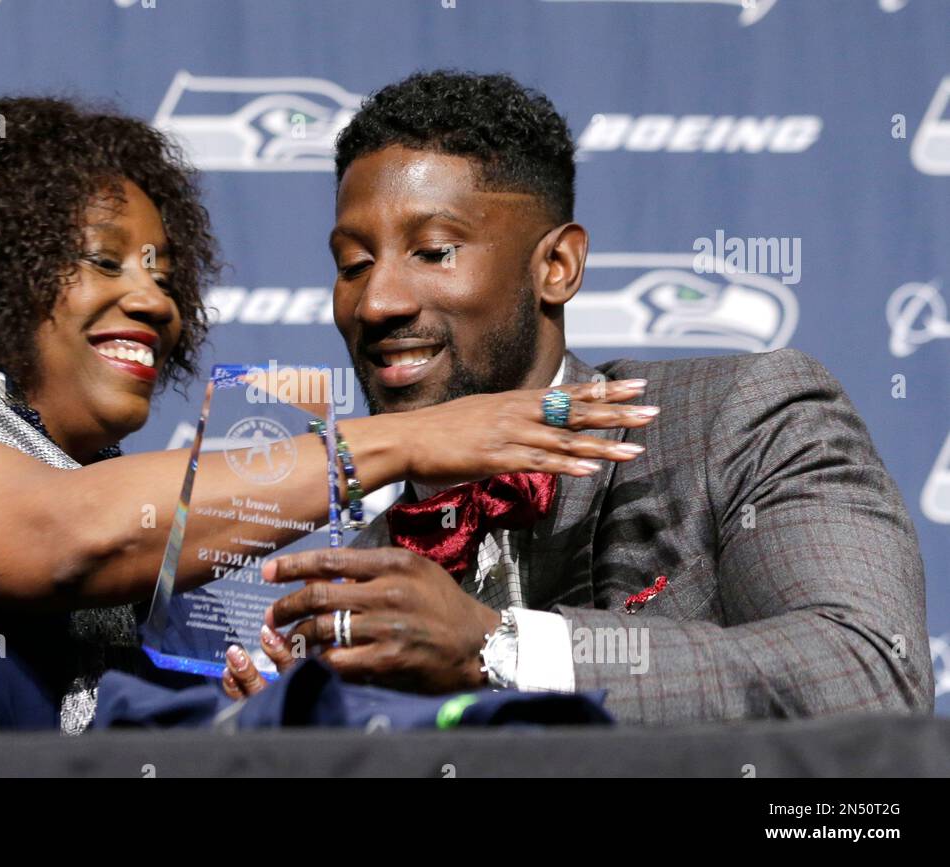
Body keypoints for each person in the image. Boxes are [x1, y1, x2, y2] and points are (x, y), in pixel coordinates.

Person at [0, 95, 653, 737]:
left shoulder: (165, 562)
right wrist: (405, 437)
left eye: (164, 274)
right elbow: (58, 534)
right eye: (104, 261)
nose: (153, 301)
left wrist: (248, 715)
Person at [225, 70, 933, 723]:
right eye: (353, 264)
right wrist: (330, 744)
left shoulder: (735, 419)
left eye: (434, 251)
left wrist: (498, 647)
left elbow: (871, 675)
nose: (377, 301)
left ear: (557, 266)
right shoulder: (373, 569)